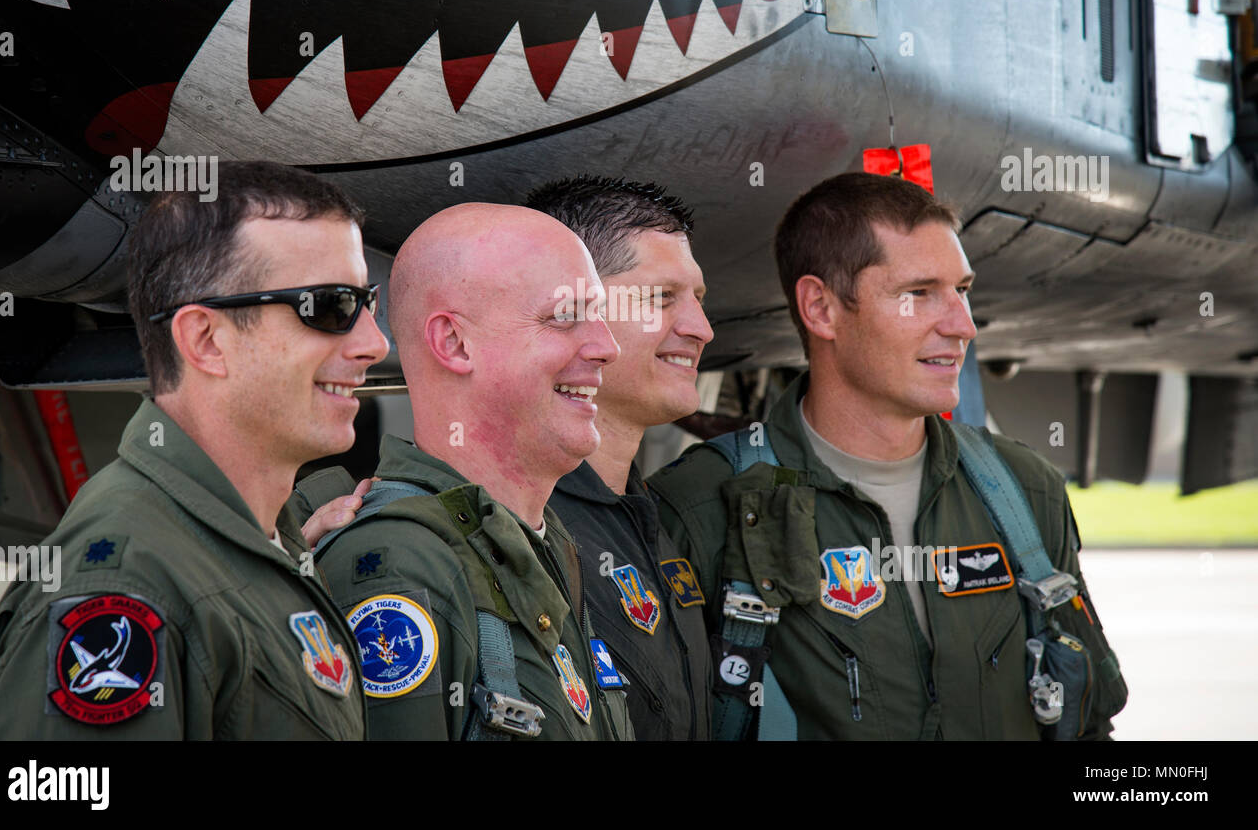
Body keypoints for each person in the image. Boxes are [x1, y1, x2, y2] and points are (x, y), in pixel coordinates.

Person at [647, 172, 1128, 740]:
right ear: (821, 308)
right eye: (918, 293)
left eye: (963, 291)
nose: (963, 325)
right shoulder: (699, 507)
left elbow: (1089, 723)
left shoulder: (1025, 490)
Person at [0, 161, 386, 738]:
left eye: (366, 301)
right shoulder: (122, 587)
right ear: (205, 340)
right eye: (329, 306)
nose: (374, 342)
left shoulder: (264, 544)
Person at [312, 203, 633, 740]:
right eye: (564, 316)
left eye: (598, 314)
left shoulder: (540, 545)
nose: (607, 346)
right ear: (454, 343)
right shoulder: (399, 569)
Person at [524, 176, 714, 740]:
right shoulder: (519, 525)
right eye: (661, 298)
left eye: (699, 299)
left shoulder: (650, 515)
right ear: (570, 306)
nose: (702, 329)